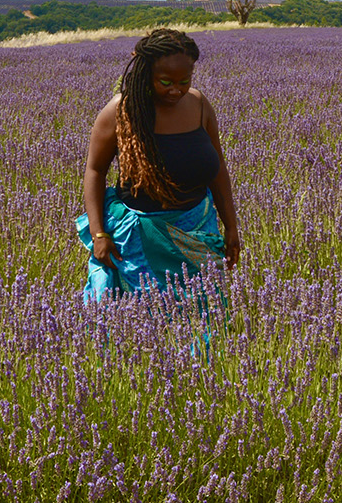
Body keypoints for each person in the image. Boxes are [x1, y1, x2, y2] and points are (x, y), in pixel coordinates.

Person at [76, 29, 241, 300]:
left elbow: (218, 168)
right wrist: (99, 234)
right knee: (143, 318)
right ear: (146, 75)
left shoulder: (199, 105)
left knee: (203, 317)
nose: (176, 90)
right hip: (140, 240)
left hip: (198, 231)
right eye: (165, 82)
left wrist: (231, 226)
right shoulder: (121, 111)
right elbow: (95, 171)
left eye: (184, 81)